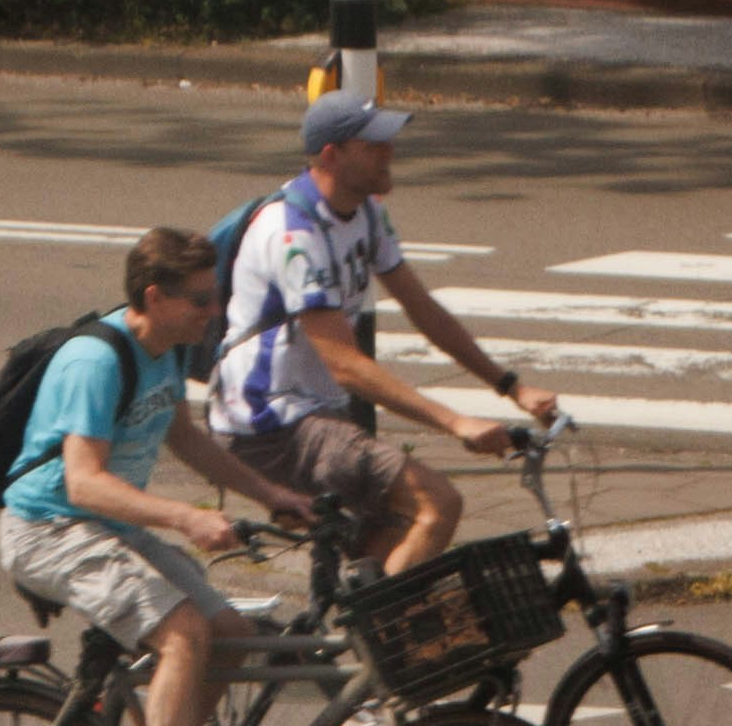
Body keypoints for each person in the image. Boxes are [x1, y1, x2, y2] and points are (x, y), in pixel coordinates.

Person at [0, 225, 322, 726]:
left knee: (230, 637)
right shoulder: (96, 360)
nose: (214, 313)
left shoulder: (168, 350)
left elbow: (184, 437)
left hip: (103, 526)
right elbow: (84, 480)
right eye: (201, 301)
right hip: (49, 529)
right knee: (184, 634)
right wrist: (186, 517)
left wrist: (268, 494)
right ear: (155, 295)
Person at [207, 93, 538, 584]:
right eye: (375, 143)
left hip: (312, 412)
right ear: (331, 156)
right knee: (437, 502)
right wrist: (455, 423)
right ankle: (382, 644)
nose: (390, 152)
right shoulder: (294, 234)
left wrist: (511, 386)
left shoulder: (367, 213)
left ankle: (353, 626)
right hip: (269, 420)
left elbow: (423, 310)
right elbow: (345, 363)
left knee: (389, 537)